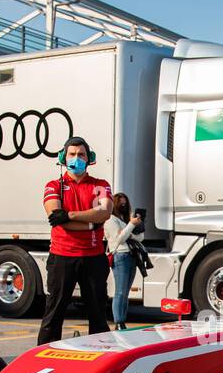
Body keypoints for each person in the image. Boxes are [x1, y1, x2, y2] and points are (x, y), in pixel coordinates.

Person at [37, 137, 112, 344]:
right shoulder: (54, 185)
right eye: (72, 154)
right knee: (53, 314)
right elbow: (55, 217)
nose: (76, 158)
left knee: (98, 316)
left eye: (81, 155)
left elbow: (104, 212)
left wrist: (68, 215)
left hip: (94, 259)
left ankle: (100, 360)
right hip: (62, 258)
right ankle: (44, 360)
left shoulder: (100, 185)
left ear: (90, 159)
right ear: (63, 157)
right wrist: (90, 223)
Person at [104, 192, 144, 331]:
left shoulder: (125, 220)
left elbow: (140, 238)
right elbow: (119, 239)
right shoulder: (110, 220)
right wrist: (130, 226)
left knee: (125, 292)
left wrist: (131, 227)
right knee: (120, 291)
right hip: (120, 256)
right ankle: (119, 322)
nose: (124, 205)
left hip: (131, 255)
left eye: (125, 203)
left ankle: (122, 320)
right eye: (121, 203)